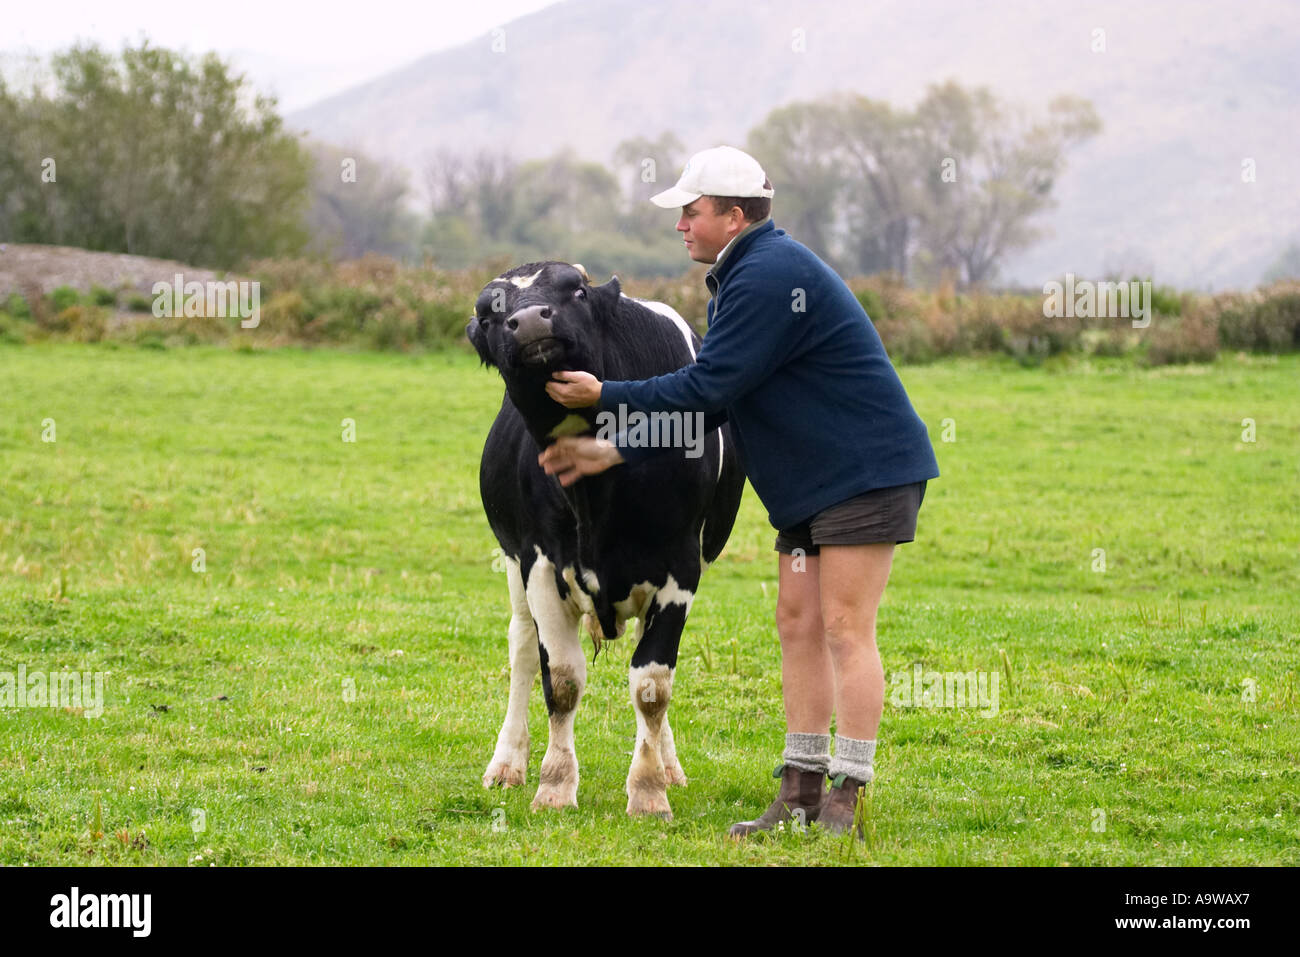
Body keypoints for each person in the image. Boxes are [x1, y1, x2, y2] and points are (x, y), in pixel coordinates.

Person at [538, 145, 939, 838]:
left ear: (732, 215)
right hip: (814, 483)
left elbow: (705, 387)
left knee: (845, 627)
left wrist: (606, 397)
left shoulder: (767, 275)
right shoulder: (747, 272)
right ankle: (801, 788)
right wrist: (616, 444)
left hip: (863, 471)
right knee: (797, 622)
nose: (680, 225)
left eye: (690, 212)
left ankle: (848, 795)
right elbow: (718, 403)